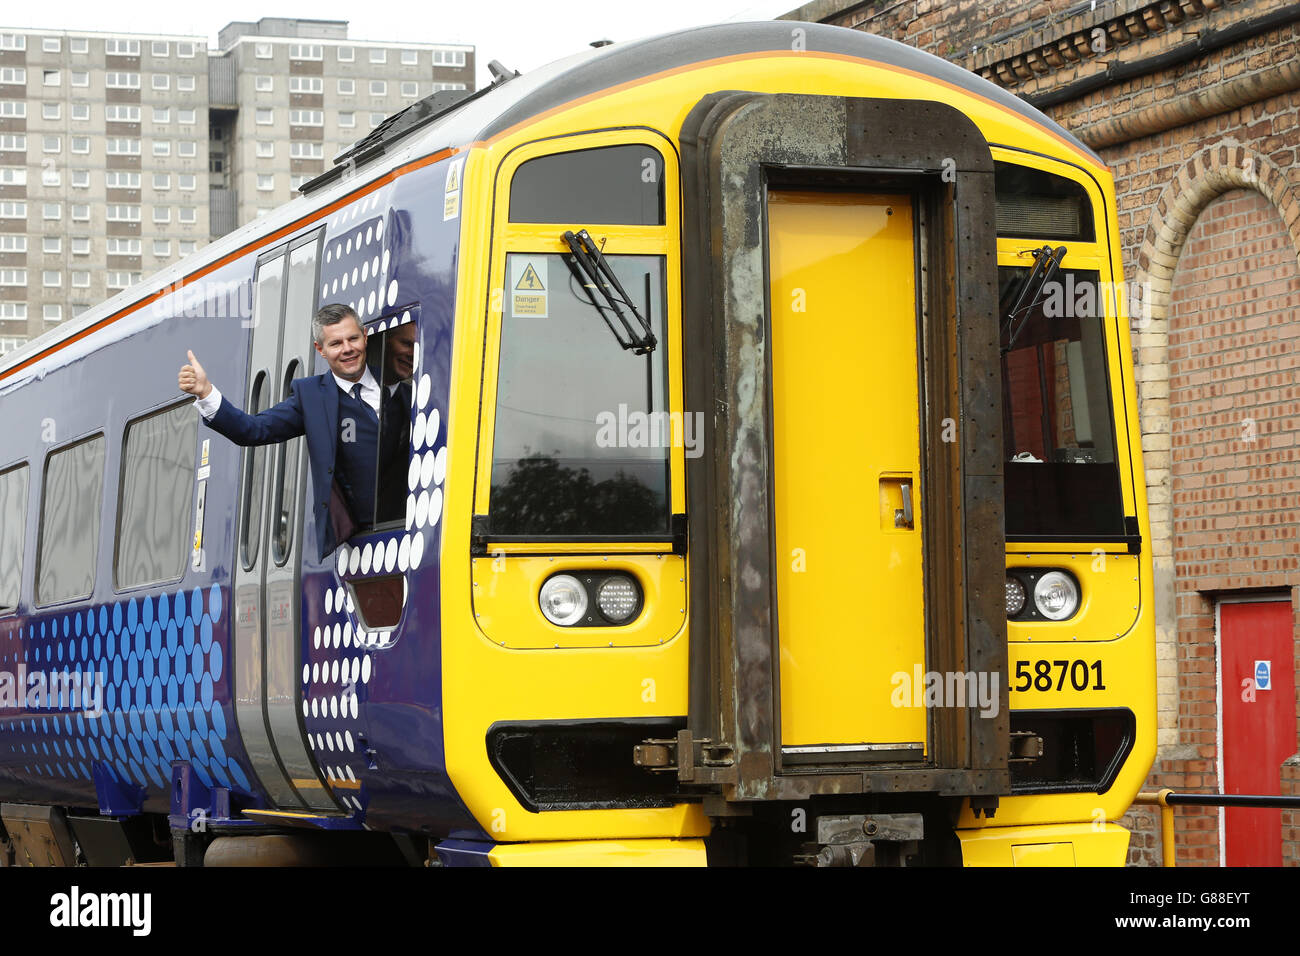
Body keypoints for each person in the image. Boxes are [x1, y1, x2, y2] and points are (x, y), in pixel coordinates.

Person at [178, 303, 408, 561]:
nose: (347, 349)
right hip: (362, 546)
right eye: (335, 344)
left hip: (416, 526)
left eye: (353, 338)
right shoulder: (310, 397)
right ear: (320, 349)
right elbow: (253, 430)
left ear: (365, 337)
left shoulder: (402, 384)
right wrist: (206, 392)